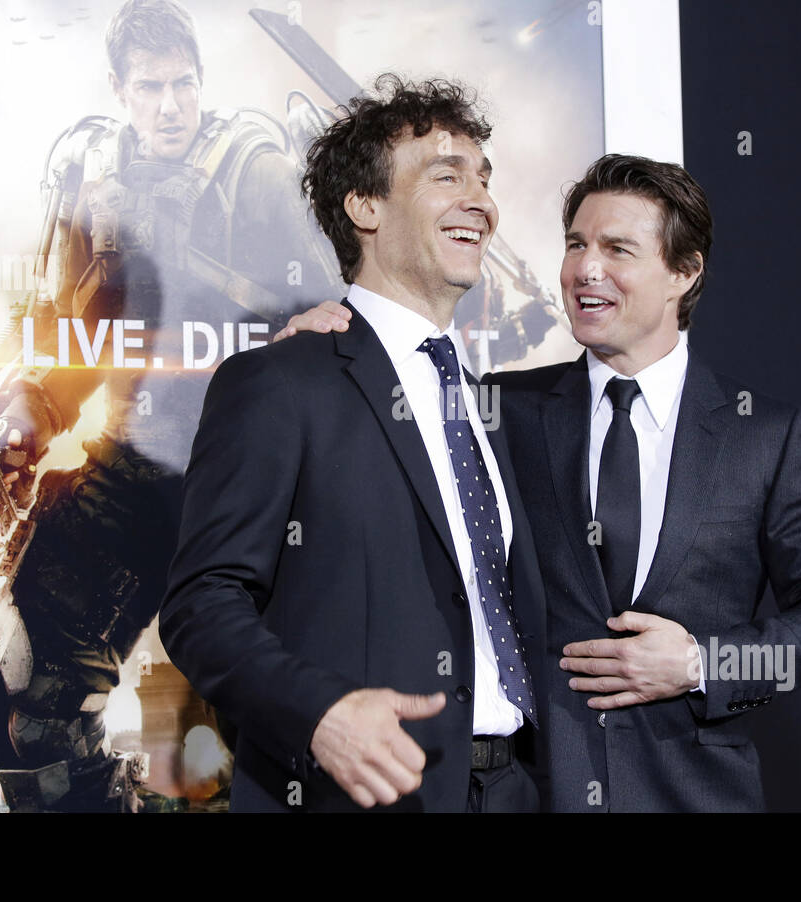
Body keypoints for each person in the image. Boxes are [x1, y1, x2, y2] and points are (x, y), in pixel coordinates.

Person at [280, 153, 801, 811]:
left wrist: (703, 663)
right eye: (575, 244)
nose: (585, 269)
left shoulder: (764, 436)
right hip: (536, 794)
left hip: (695, 795)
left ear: (684, 271)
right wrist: (321, 354)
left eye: (617, 248)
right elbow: (378, 416)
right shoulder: (494, 410)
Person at [0, 0, 342, 811]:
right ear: (119, 89)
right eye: (152, 87)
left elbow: (343, 318)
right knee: (10, 697)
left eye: (185, 85)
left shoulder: (254, 171)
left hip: (249, 484)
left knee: (303, 720)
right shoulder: (93, 181)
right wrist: (17, 434)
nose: (171, 105)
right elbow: (66, 344)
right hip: (131, 470)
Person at [159, 74, 549, 812]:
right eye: (446, 175)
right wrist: (321, 716)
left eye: (484, 179)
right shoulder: (279, 383)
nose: (482, 202)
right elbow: (201, 604)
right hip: (356, 795)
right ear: (365, 206)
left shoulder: (498, 407)